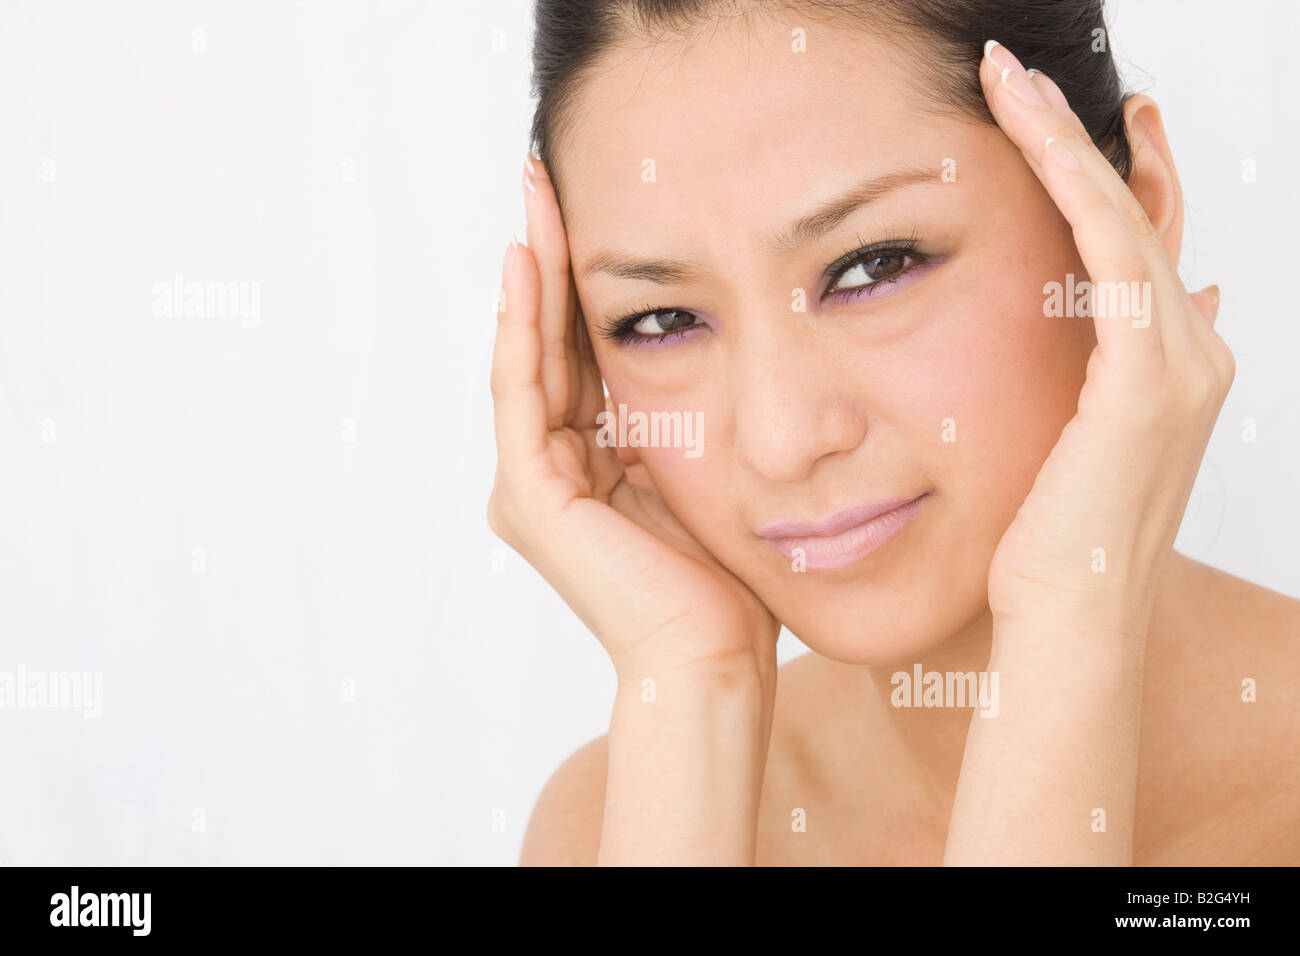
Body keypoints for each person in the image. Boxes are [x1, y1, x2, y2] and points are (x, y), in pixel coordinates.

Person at [488, 0, 1300, 865]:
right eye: (660, 320)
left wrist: (1072, 614)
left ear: (1132, 206)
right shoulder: (619, 817)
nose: (781, 440)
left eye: (875, 266)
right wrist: (694, 684)